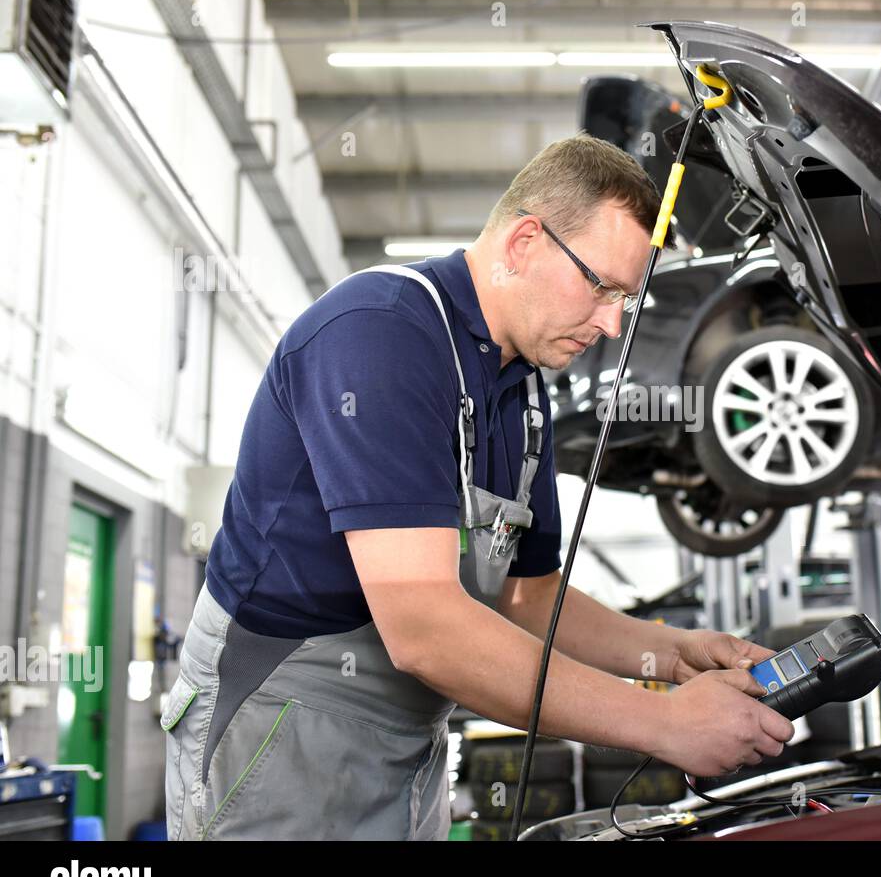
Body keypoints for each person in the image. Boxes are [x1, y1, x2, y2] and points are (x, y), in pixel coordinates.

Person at [161, 133, 793, 840]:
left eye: (628, 299)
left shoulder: (520, 390)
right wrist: (663, 723)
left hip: (409, 742)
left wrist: (672, 653)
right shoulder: (379, 336)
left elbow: (529, 596)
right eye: (603, 287)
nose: (614, 322)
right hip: (280, 735)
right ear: (524, 241)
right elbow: (426, 629)